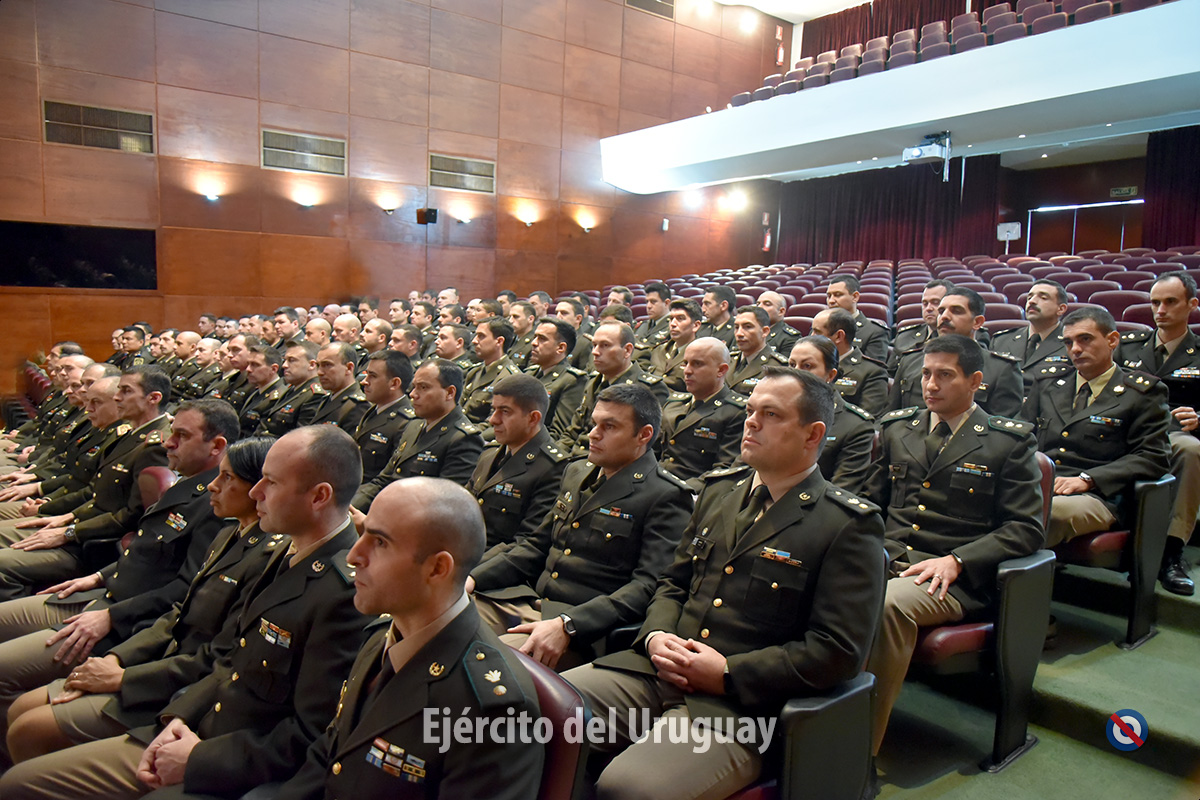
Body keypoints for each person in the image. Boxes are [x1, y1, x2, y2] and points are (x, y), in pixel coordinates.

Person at [562, 367, 885, 800]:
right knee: (529, 708)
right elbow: (673, 584)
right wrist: (656, 635)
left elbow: (838, 652)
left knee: (628, 789)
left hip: (742, 706)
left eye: (771, 414)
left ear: (813, 435)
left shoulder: (846, 525)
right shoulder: (718, 493)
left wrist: (729, 674)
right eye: (751, 410)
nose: (751, 421)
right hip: (659, 670)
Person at [0, 426, 370, 800]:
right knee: (23, 745)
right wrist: (178, 716)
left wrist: (197, 756)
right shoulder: (283, 551)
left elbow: (311, 734)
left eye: (270, 483)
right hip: (196, 713)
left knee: (20, 778)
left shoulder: (343, 592)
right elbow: (228, 656)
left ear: (320, 496)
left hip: (224, 751)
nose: (256, 492)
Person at [2, 437, 281, 765]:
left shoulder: (265, 556)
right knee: (23, 713)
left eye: (227, 478)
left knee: (28, 728)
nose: (213, 487)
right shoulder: (229, 534)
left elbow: (216, 655)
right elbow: (180, 611)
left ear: (258, 489)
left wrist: (124, 674)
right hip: (145, 649)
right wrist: (118, 659)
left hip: (172, 688)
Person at [865, 335, 1043, 756]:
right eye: (926, 374)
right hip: (890, 558)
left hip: (955, 578)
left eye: (945, 375)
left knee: (888, 604)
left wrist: (959, 560)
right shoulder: (896, 428)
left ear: (975, 380)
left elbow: (1026, 528)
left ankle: (856, 751)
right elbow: (871, 504)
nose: (931, 384)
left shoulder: (1009, 443)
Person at [469, 384, 693, 670]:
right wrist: (474, 578)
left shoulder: (665, 494)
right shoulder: (577, 471)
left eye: (609, 426)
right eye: (594, 423)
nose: (593, 434)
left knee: (481, 664)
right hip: (528, 603)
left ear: (644, 435)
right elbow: (537, 545)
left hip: (582, 628)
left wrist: (569, 625)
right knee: (437, 622)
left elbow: (648, 585)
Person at [0, 369, 173, 594]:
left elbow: (132, 516)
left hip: (94, 545)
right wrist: (68, 518)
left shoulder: (156, 446)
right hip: (81, 526)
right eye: (118, 390)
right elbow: (98, 494)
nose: (118, 397)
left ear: (153, 398)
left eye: (126, 390)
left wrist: (70, 530)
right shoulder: (127, 434)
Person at [1021, 307, 1171, 547]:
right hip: (1039, 485)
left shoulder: (1142, 393)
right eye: (1068, 342)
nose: (1076, 349)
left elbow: (1153, 457)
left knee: (1039, 514)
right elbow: (1023, 436)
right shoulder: (1048, 383)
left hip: (1098, 495)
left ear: (1112, 340)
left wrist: (1089, 479)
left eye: (1085, 339)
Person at [1117, 272, 1200, 595]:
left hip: (1174, 433)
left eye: (1170, 302)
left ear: (1192, 305)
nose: (1160, 310)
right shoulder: (1127, 348)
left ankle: (1171, 550)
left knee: (1190, 450)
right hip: (1124, 428)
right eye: (1155, 303)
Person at [351, 360, 484, 513]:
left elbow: (444, 507)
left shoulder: (463, 439)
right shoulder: (414, 426)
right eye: (414, 387)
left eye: (423, 387)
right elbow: (384, 480)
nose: (413, 394)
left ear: (449, 393)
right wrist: (349, 509)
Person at [467, 374, 567, 554]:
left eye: (505, 411)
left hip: (489, 567)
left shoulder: (552, 468)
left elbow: (526, 543)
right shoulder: (489, 453)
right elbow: (462, 510)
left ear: (533, 418)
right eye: (493, 410)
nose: (493, 420)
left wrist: (470, 574)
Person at [892, 287, 1023, 418]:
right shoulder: (909, 360)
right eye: (941, 311)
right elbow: (890, 415)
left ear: (977, 322)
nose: (944, 317)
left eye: (956, 311)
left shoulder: (1001, 369)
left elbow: (1004, 432)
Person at [557, 321, 668, 455]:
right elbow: (572, 432)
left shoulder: (648, 389)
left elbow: (647, 447)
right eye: (594, 345)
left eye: (605, 345)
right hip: (575, 462)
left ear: (627, 350)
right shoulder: (593, 382)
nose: (595, 352)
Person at [789, 335, 876, 495]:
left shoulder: (855, 425)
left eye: (807, 366)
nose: (796, 373)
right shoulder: (773, 413)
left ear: (830, 375)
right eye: (792, 365)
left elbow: (841, 492)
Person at [658, 338, 745, 486]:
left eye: (697, 364)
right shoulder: (673, 403)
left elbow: (725, 470)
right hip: (657, 482)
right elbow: (651, 452)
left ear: (721, 370)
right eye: (685, 363)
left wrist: (678, 491)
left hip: (692, 494)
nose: (687, 371)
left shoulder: (737, 412)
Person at [990, 280, 1069, 390]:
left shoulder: (1072, 343)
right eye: (1029, 297)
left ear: (1061, 309)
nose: (1032, 301)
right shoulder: (1001, 340)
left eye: (1043, 298)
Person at [812, 308, 889, 417]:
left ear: (839, 336)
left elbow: (868, 420)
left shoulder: (872, 372)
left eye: (817, 332)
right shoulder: (809, 365)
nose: (811, 336)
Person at [353, 351, 416, 483]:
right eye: (366, 375)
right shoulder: (373, 410)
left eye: (372, 376)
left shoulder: (406, 423)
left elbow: (389, 479)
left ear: (394, 384)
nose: (364, 382)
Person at [526, 318, 588, 441]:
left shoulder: (572, 380)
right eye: (535, 337)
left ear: (560, 348)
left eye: (542, 339)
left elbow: (558, 433)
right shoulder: (529, 373)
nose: (534, 343)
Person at [460, 318, 521, 432]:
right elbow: (459, 408)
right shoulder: (474, 371)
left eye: (481, 336)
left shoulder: (510, 378)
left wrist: (461, 434)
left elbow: (495, 424)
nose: (474, 341)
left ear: (499, 341)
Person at [255, 342, 324, 437]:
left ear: (312, 365)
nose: (284, 365)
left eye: (291, 360)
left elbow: (301, 438)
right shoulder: (291, 388)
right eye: (285, 360)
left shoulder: (314, 395)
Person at [890, 279, 954, 372]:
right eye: (925, 303)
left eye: (935, 302)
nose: (928, 308)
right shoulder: (904, 337)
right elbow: (890, 375)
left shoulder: (965, 335)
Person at [726, 306, 788, 396]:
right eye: (736, 327)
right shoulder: (728, 359)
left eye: (747, 327)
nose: (739, 333)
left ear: (765, 331)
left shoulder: (777, 367)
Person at [826, 275, 889, 363]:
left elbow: (873, 371)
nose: (831, 301)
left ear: (855, 297)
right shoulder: (821, 325)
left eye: (838, 295)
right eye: (829, 296)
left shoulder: (874, 331)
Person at [308, 343, 369, 433]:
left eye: (327, 365)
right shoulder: (328, 398)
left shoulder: (358, 406)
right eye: (318, 365)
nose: (320, 372)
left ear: (349, 368)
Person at [648, 298, 703, 392]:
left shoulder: (701, 354)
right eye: (671, 319)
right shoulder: (658, 350)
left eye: (680, 319)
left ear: (695, 325)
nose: (673, 324)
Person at [236, 345, 286, 438]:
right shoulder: (256, 391)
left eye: (255, 365)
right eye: (248, 364)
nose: (248, 369)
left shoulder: (279, 397)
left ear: (273, 369)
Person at [756, 290, 801, 356]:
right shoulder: (751, 331)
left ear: (781, 311)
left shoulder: (789, 338)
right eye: (758, 304)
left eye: (767, 304)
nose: (759, 307)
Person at [634, 281, 672, 351]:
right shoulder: (641, 325)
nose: (648, 306)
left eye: (653, 302)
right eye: (647, 302)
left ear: (666, 303)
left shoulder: (674, 327)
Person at [506, 300, 538, 368]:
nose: (510, 321)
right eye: (510, 317)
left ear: (530, 319)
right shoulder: (510, 339)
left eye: (516, 317)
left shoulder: (535, 343)